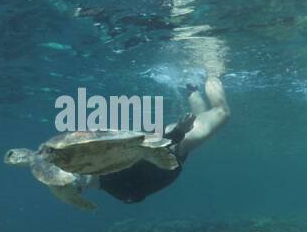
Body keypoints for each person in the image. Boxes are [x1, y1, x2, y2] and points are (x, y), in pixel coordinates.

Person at [92, 76, 229, 203]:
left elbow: (144, 152)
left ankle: (212, 72)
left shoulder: (109, 170)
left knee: (222, 112)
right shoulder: (117, 191)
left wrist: (178, 132)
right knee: (202, 118)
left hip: (173, 144)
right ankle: (191, 87)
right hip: (170, 145)